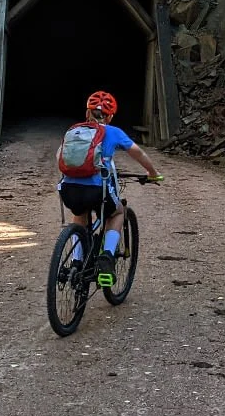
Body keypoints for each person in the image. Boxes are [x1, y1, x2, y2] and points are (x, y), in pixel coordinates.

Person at [57, 90, 163, 285]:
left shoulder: (74, 130)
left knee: (80, 215)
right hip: (98, 190)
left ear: (87, 113)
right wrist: (152, 173)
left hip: (69, 189)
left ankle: (76, 262)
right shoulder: (113, 132)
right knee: (117, 213)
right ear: (111, 116)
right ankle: (106, 255)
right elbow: (138, 153)